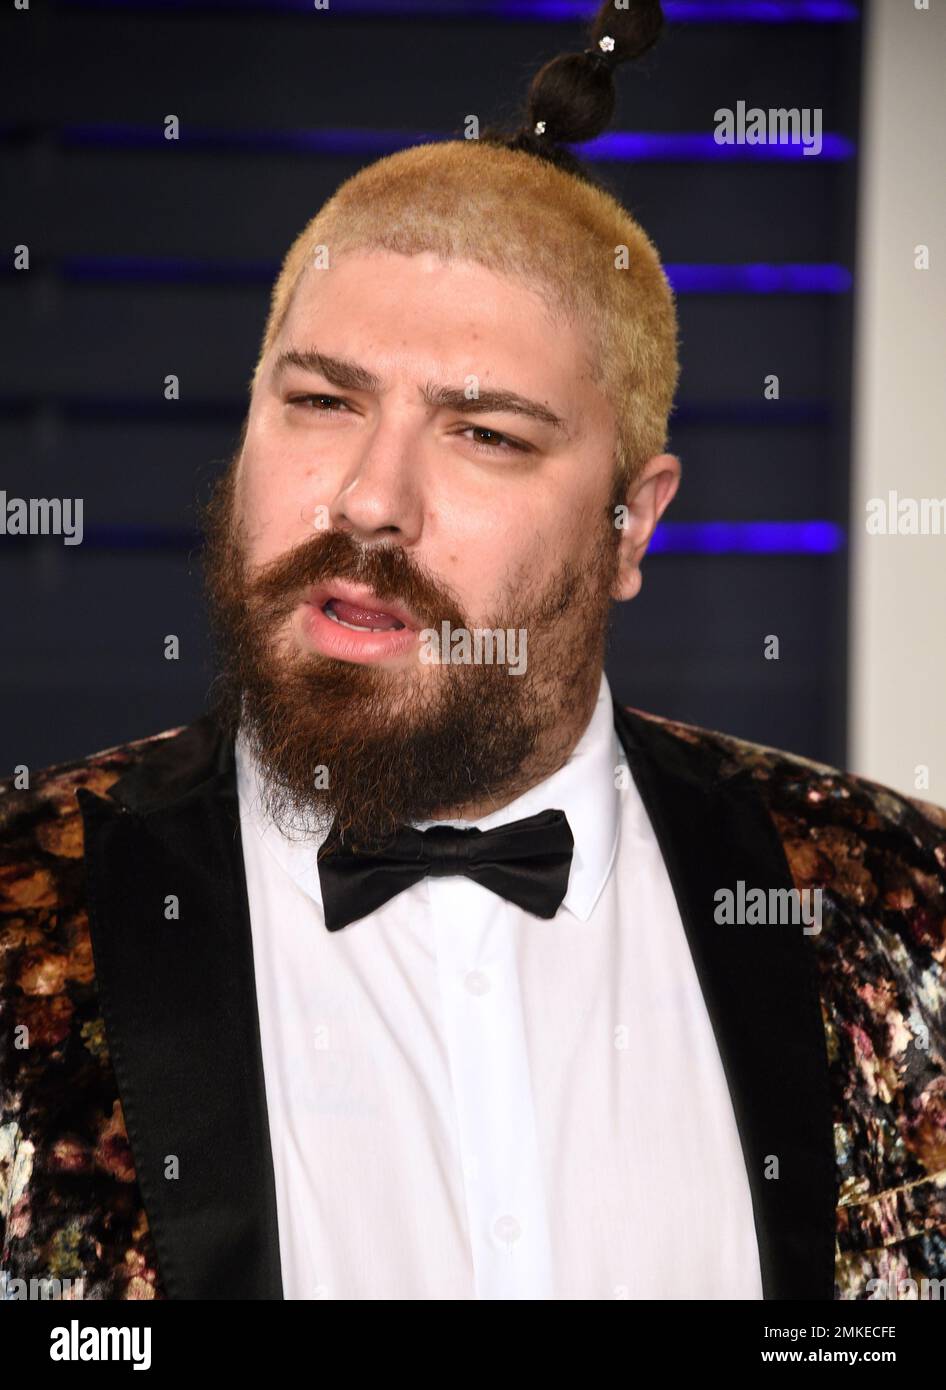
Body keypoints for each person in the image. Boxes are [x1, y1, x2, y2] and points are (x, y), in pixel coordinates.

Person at [2, 0, 944, 1302]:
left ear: (632, 520)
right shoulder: (14, 913)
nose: (369, 500)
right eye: (322, 401)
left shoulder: (911, 912)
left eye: (484, 432)